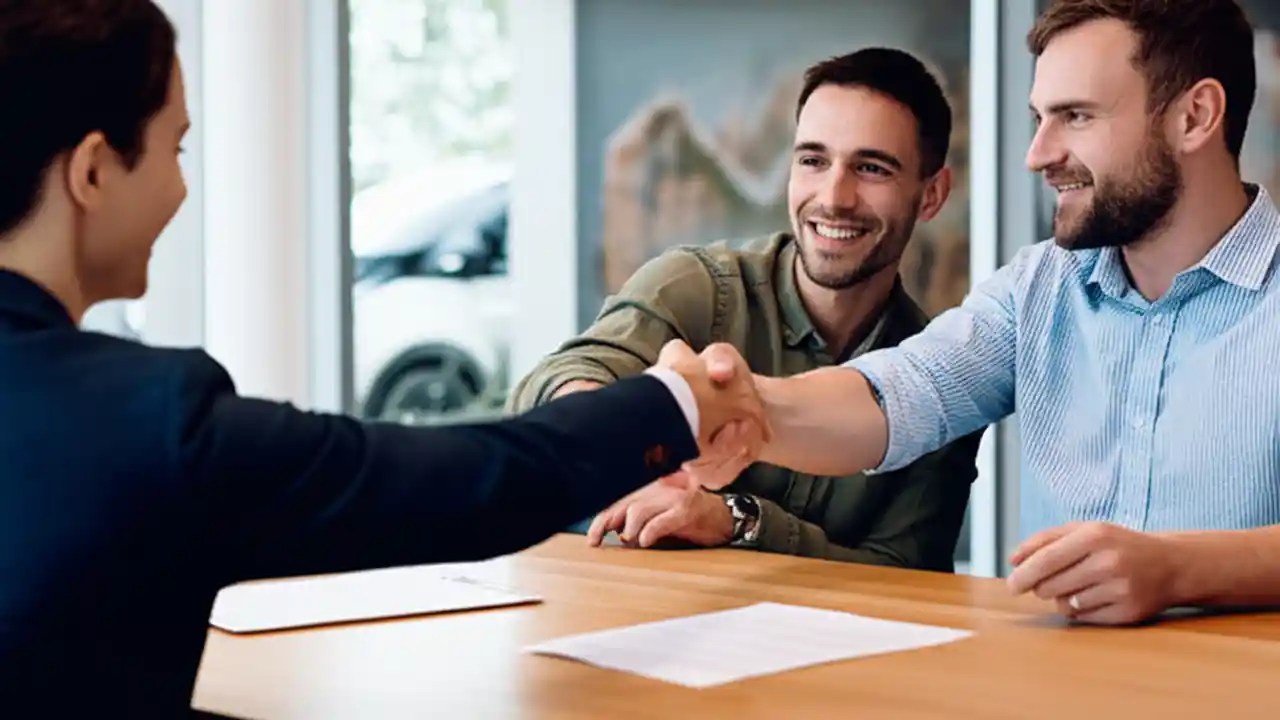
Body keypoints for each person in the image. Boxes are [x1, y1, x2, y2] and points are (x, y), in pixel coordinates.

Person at [0, 1, 764, 715]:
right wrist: (677, 400)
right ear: (94, 171)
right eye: (176, 147)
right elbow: (474, 484)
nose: (180, 186)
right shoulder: (145, 421)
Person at [675, 0, 1280, 626]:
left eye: (1075, 116)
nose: (1039, 153)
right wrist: (750, 408)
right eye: (1040, 118)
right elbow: (901, 392)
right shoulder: (1038, 287)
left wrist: (1182, 569)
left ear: (1195, 116)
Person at [508, 49, 982, 571]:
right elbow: (557, 380)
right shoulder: (697, 287)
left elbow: (903, 575)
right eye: (812, 160)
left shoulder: (940, 381)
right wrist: (616, 435)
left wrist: (737, 519)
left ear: (932, 194)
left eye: (870, 168)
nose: (834, 196)